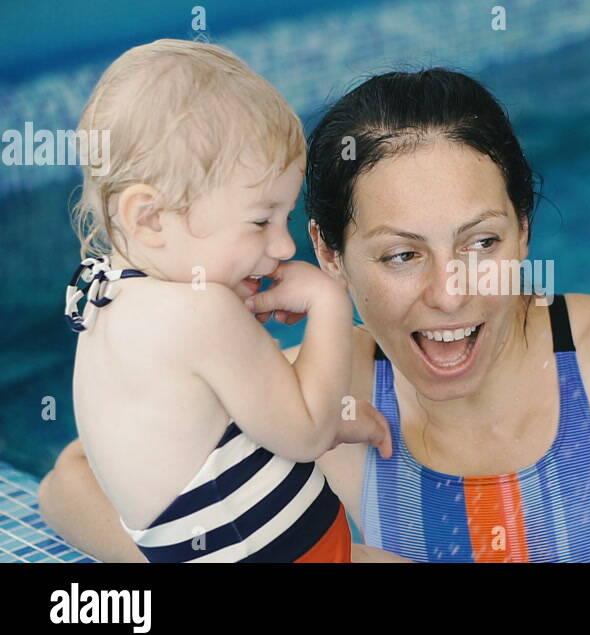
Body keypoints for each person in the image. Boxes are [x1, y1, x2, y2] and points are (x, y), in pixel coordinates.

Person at [41, 68, 590, 563]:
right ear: (329, 258)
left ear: (524, 230)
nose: (450, 294)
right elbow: (69, 486)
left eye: (482, 243)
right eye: (401, 254)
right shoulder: (314, 397)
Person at [58, 39, 392, 563]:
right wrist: (328, 301)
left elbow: (190, 438)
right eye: (261, 221)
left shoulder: (105, 297)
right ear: (150, 218)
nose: (284, 247)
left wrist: (332, 419)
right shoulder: (199, 312)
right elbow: (304, 433)